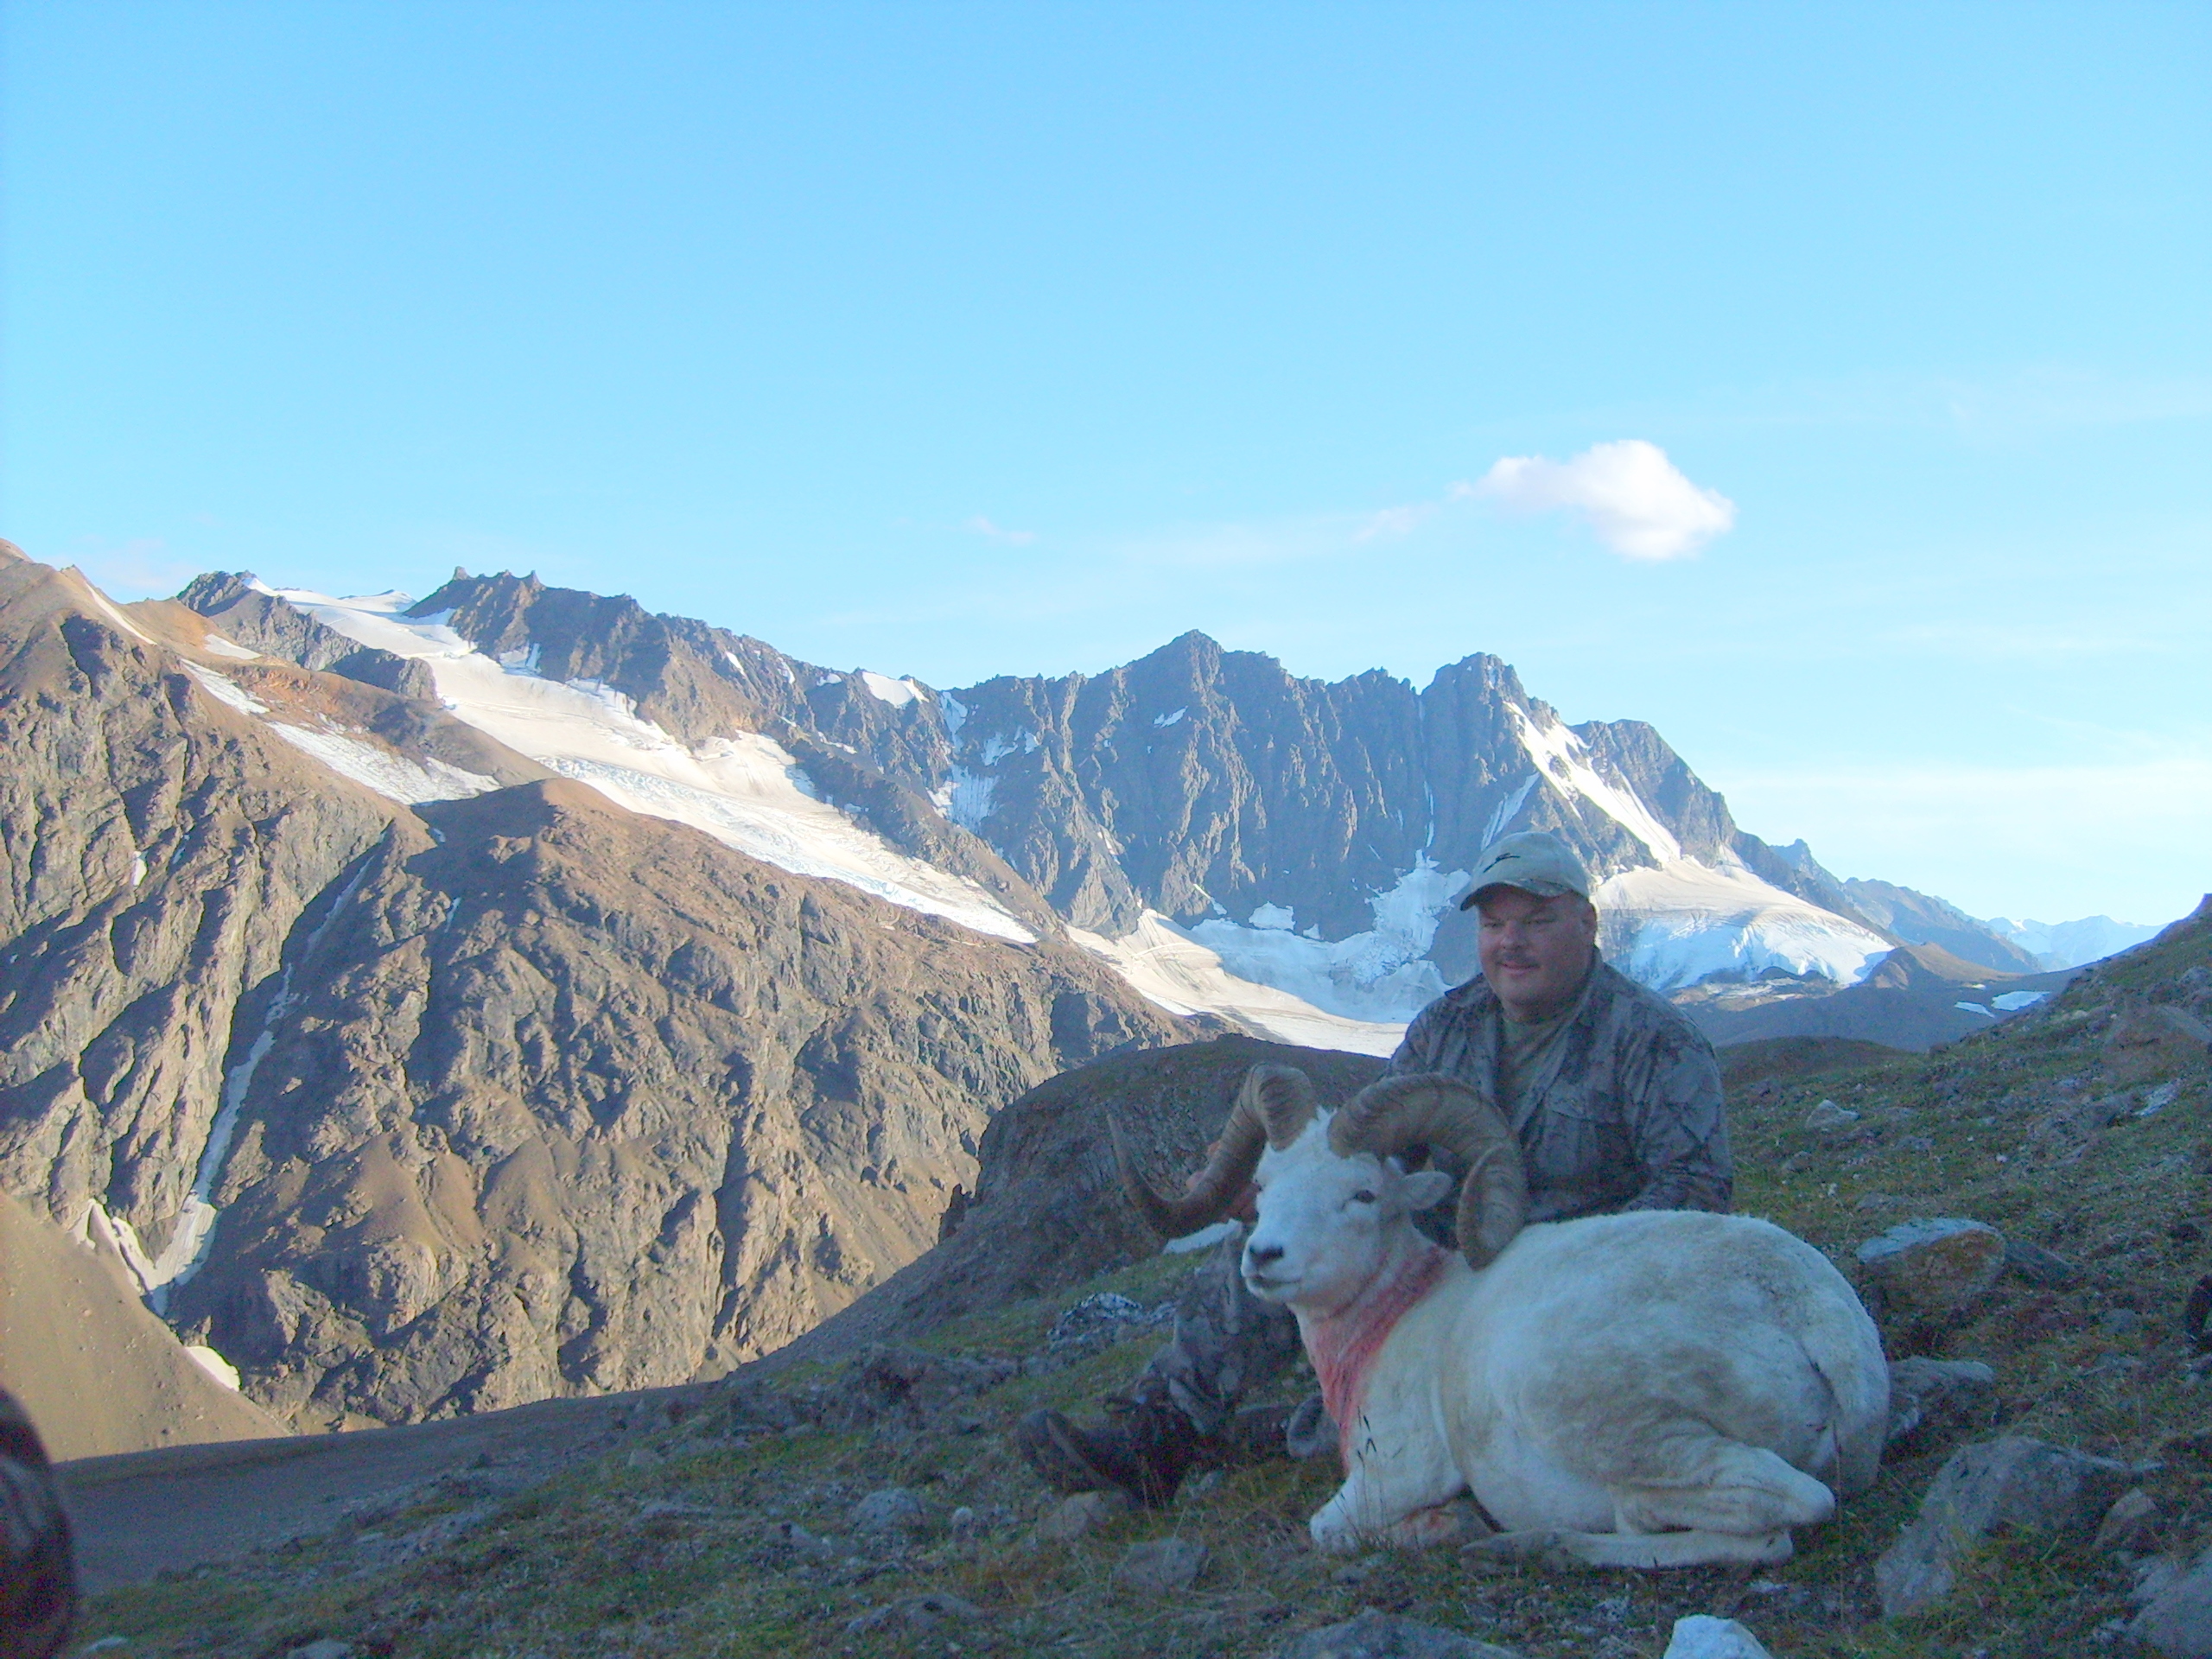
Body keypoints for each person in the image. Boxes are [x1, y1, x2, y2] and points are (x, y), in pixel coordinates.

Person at [1013, 830, 1734, 1505]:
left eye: (1537, 922)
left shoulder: (1655, 1042)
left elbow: (1697, 1193)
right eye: (1493, 924)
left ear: (1587, 924)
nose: (1510, 942)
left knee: (1424, 1427)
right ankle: (1159, 1432)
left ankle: (1301, 1429)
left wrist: (1559, 1257)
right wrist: (1280, 1187)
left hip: (1566, 1290)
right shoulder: (1448, 1027)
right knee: (1270, 1243)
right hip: (1439, 1268)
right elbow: (1367, 1153)